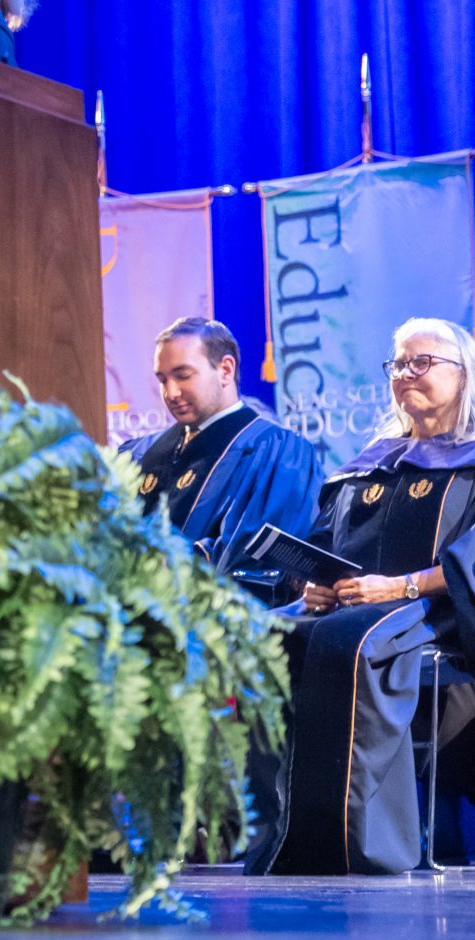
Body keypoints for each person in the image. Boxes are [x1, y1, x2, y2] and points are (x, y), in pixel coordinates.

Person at [247, 317, 475, 874]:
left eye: (422, 362)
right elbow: (324, 542)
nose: (405, 374)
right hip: (357, 608)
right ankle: (280, 836)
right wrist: (312, 583)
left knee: (354, 642)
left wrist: (401, 586)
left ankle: (357, 842)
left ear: (465, 374)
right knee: (262, 634)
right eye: (397, 364)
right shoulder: (371, 463)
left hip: (436, 611)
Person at [117, 317, 323, 572]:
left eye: (183, 376)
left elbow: (255, 562)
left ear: (225, 370)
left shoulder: (276, 452)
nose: (171, 393)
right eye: (162, 380)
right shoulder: (140, 453)